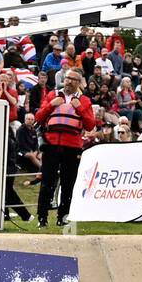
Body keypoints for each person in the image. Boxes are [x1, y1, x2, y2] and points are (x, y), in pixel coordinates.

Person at [34, 68, 95, 227]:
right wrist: (51, 106)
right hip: (51, 145)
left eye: (73, 79)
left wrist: (79, 108)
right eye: (68, 78)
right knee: (47, 182)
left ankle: (63, 216)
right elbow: (39, 117)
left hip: (72, 147)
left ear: (79, 82)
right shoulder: (52, 95)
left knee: (68, 183)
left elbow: (90, 125)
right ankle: (42, 218)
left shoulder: (85, 100)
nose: (69, 81)